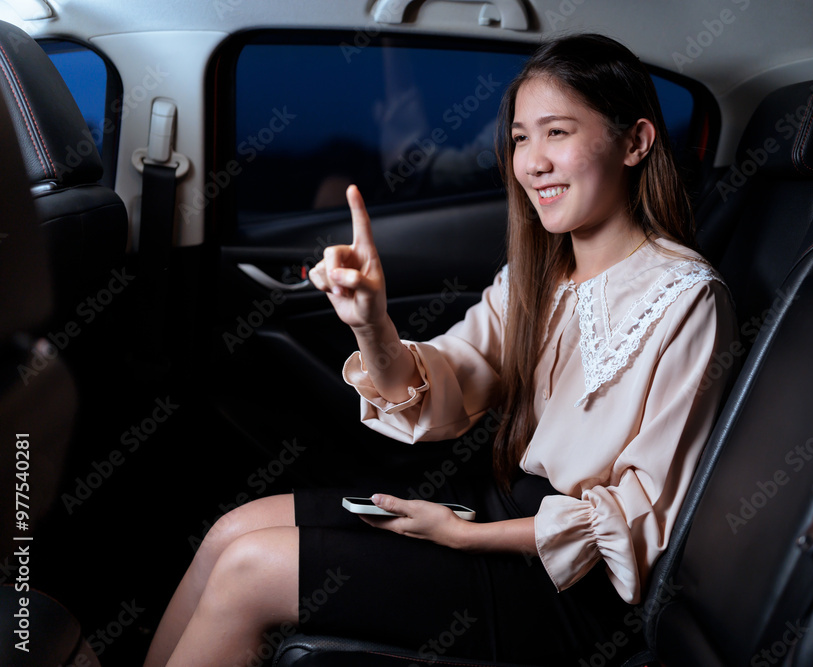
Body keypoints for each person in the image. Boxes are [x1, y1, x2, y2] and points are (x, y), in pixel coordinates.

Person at [143, 33, 738, 666]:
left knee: (250, 570)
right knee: (229, 533)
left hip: (567, 585)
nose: (531, 162)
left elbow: (643, 519)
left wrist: (470, 536)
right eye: (519, 139)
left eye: (556, 133)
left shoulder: (687, 300)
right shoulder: (539, 273)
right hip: (486, 515)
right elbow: (450, 381)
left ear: (636, 142)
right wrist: (372, 323)